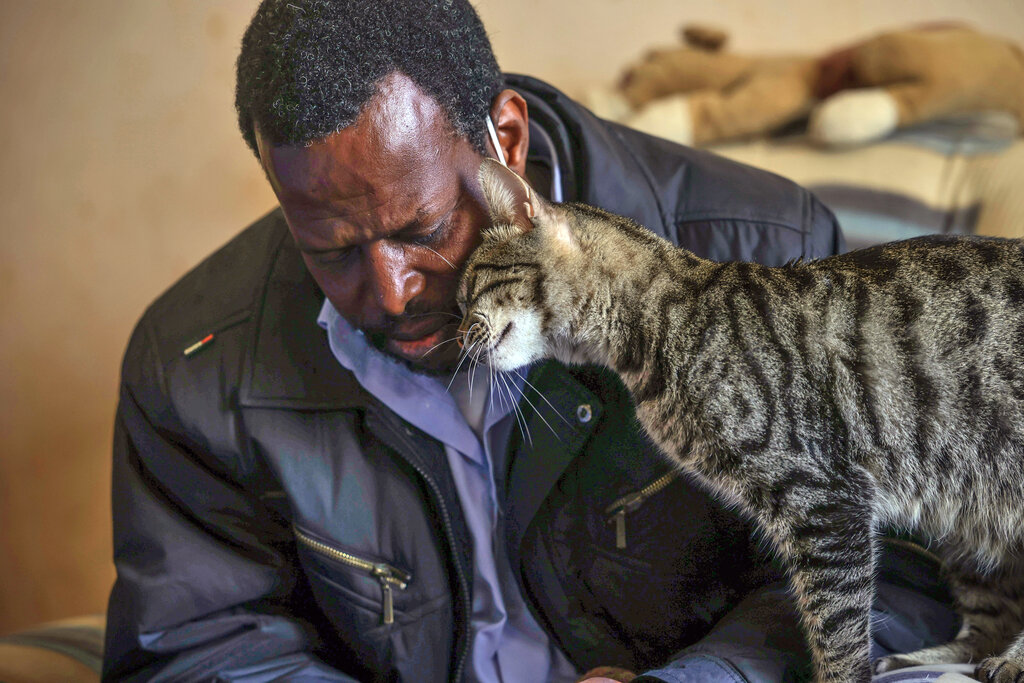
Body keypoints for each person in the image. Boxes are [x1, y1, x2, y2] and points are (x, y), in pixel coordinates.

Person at [103, 2, 958, 682]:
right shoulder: (192, 364)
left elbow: (902, 573)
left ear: (503, 141)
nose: (392, 289)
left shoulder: (767, 247)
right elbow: (196, 645)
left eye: (421, 229)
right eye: (330, 251)